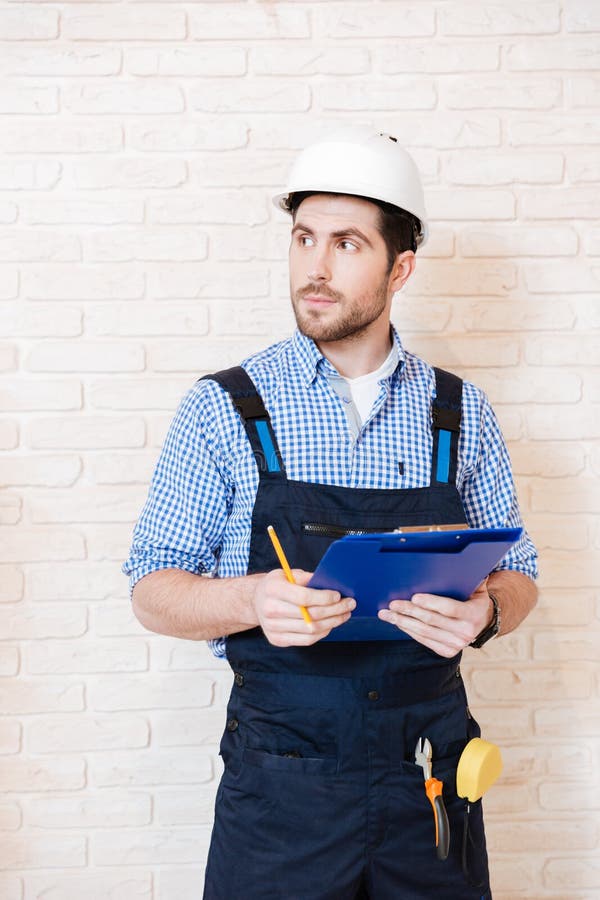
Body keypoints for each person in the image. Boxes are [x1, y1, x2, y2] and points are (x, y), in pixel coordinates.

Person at [123, 130, 538, 899]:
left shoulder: (460, 414)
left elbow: (522, 576)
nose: (314, 268)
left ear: (399, 267)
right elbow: (152, 587)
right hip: (283, 790)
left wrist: (486, 611)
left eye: (346, 244)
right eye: (303, 238)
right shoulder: (225, 409)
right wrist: (250, 598)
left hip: (430, 782)